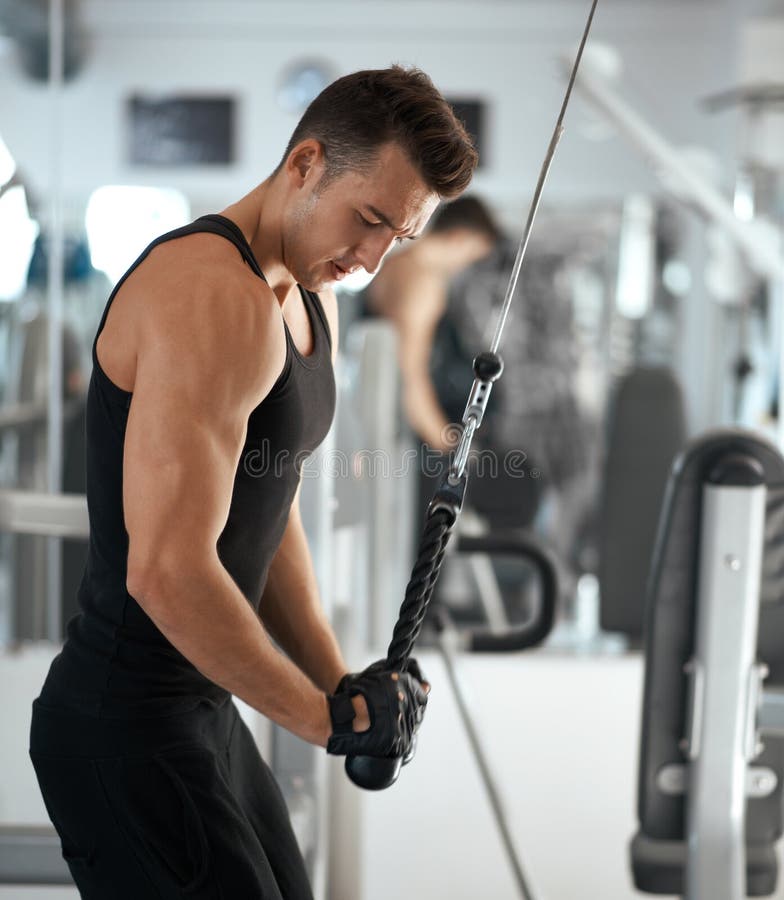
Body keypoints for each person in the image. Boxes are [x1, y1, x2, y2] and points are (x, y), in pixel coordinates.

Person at [29, 65, 478, 899]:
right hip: (124, 724)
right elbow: (167, 571)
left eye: (399, 237)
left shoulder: (308, 296)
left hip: (201, 708)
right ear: (305, 163)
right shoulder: (209, 293)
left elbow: (270, 515)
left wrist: (339, 684)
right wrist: (324, 720)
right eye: (369, 220)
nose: (372, 259)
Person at [361, 195, 502, 453]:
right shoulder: (423, 285)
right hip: (399, 429)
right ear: (458, 238)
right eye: (470, 255)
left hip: (378, 412)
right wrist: (447, 445)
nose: (464, 266)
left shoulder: (394, 264)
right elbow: (410, 374)